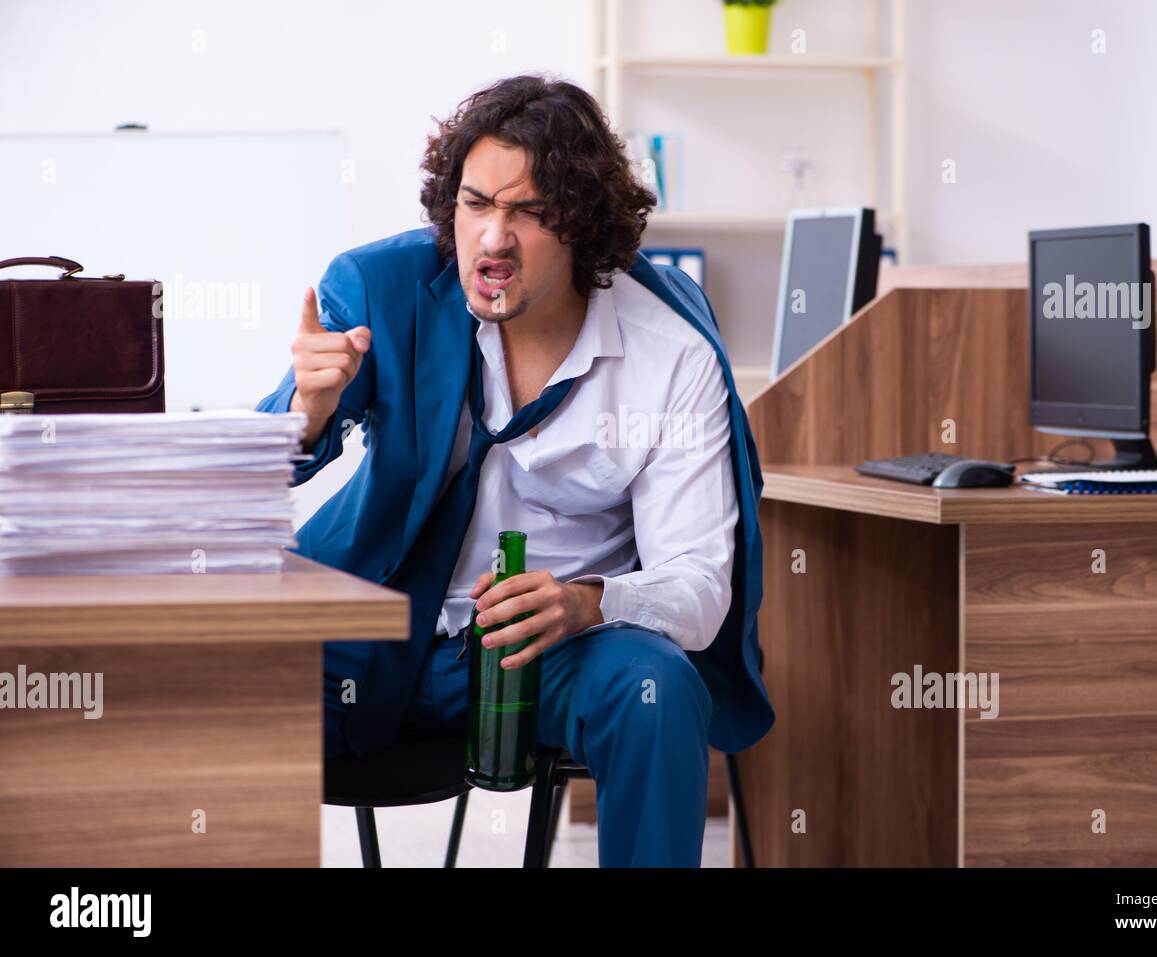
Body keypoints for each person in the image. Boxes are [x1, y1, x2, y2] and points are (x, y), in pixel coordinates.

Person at [256, 73, 771, 867]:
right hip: (376, 630)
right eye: (475, 204)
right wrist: (310, 408)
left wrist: (588, 600)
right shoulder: (384, 291)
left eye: (528, 212)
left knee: (655, 688)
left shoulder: (672, 357)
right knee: (203, 690)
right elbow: (251, 469)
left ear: (583, 227)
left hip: (546, 652)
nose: (493, 237)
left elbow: (700, 585)